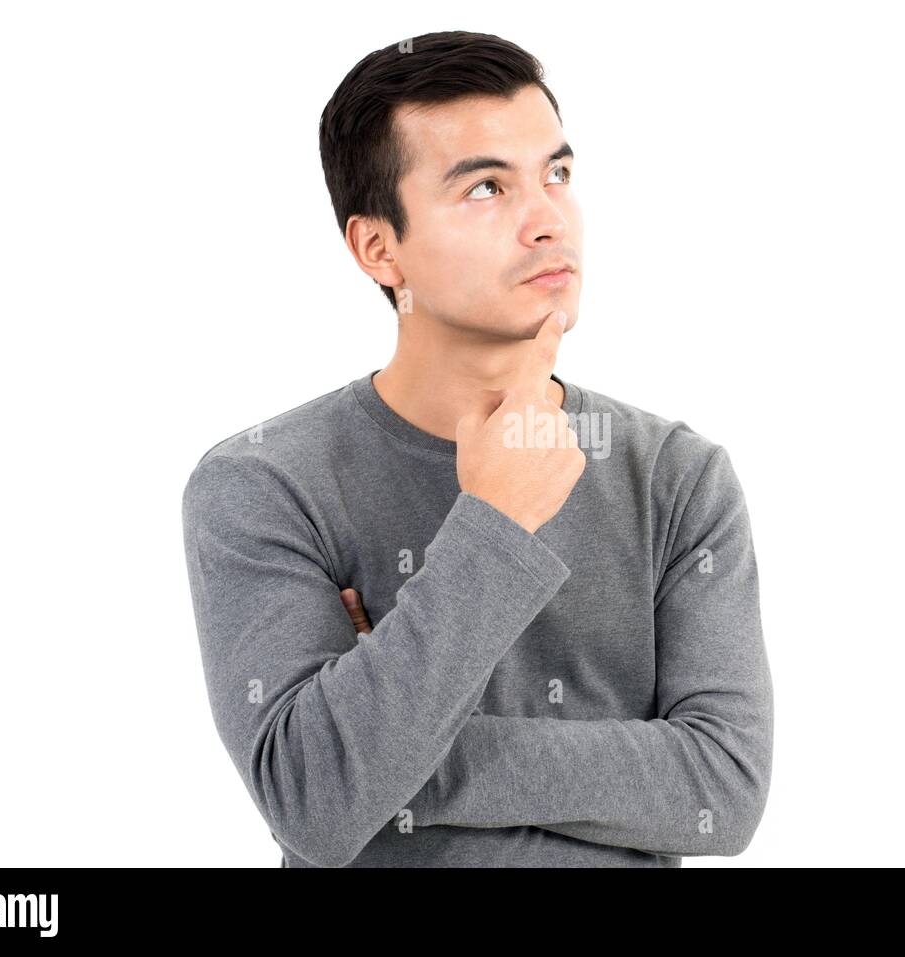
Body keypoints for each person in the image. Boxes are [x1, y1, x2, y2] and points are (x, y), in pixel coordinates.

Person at [181, 30, 773, 867]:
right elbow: (316, 799)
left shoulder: (677, 478)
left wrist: (392, 742)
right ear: (377, 247)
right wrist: (493, 521)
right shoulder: (263, 484)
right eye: (487, 187)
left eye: (557, 175)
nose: (546, 221)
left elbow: (724, 790)